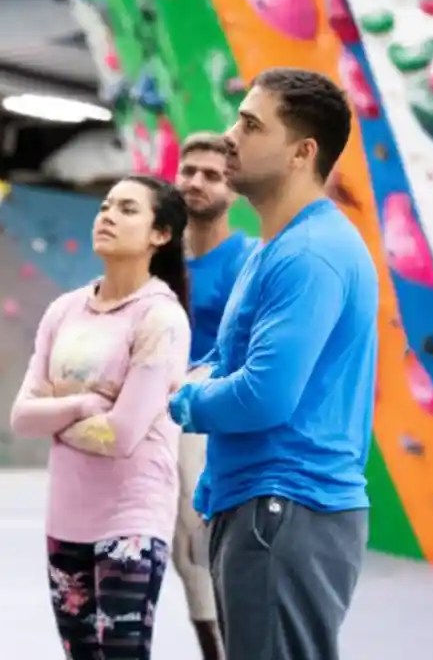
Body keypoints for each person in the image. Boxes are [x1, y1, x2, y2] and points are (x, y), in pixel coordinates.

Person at [167, 68, 376, 660]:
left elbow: (265, 394)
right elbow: (232, 358)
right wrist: (198, 373)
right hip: (262, 505)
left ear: (301, 153)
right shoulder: (278, 247)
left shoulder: (310, 254)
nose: (231, 135)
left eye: (251, 125)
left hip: (283, 508)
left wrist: (181, 400)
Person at [9, 175, 192, 660]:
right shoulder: (63, 311)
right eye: (106, 206)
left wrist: (55, 419)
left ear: (161, 234)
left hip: (133, 517)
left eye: (127, 209)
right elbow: (21, 416)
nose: (107, 215)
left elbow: (123, 434)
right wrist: (81, 406)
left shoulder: (160, 318)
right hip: (67, 516)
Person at [174, 132, 259, 660]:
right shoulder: (160, 259)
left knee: (212, 550)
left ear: (234, 185)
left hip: (213, 426)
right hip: (155, 424)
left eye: (211, 173)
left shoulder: (250, 260)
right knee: (185, 557)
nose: (197, 182)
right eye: (189, 171)